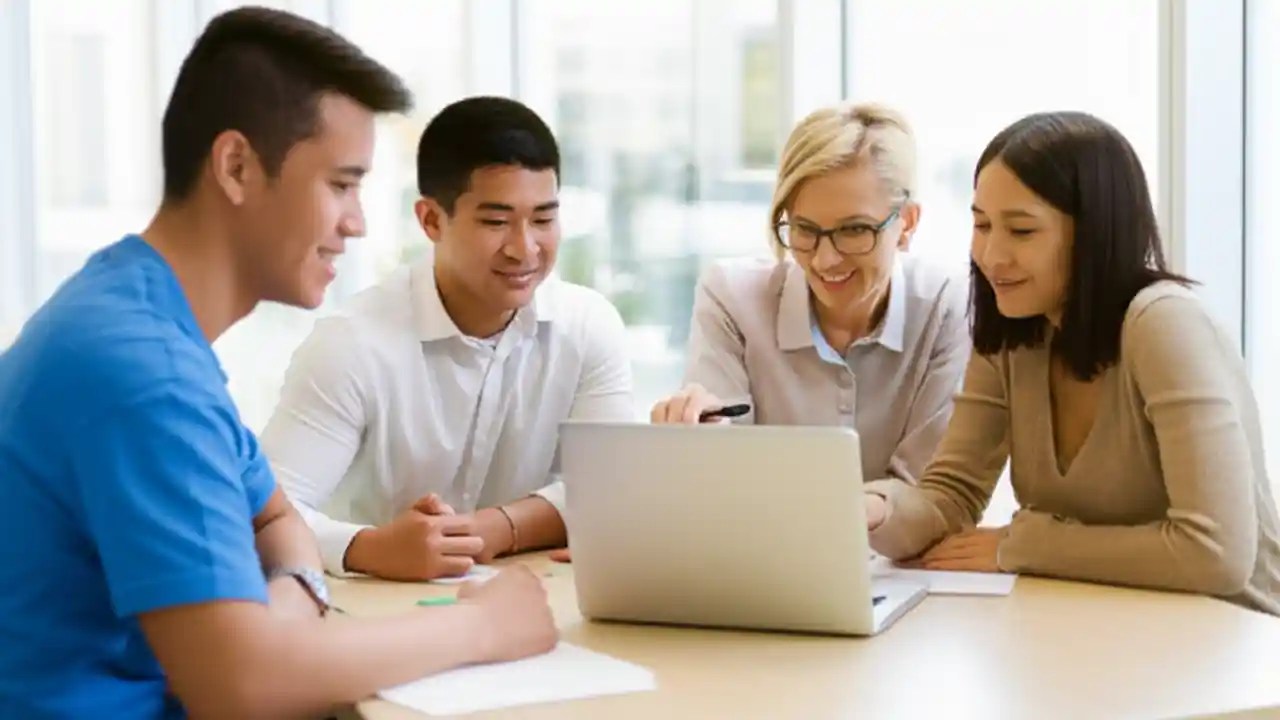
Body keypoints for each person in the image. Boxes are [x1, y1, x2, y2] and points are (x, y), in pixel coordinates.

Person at [0, 9, 556, 719]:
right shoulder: (141, 372)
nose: (356, 222)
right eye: (341, 184)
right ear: (236, 166)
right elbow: (243, 686)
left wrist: (286, 607)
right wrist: (482, 625)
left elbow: (277, 522)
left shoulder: (139, 317)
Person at [866, 111, 1280, 616]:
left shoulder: (1164, 323)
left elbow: (1216, 555)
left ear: (1095, 235)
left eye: (1021, 230)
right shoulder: (1014, 327)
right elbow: (950, 498)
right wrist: (873, 509)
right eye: (981, 224)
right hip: (1104, 631)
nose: (991, 255)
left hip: (1236, 645)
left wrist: (1024, 544)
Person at [260, 96, 633, 581]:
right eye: (496, 221)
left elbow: (612, 489)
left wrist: (492, 530)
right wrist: (368, 548)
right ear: (431, 220)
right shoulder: (350, 346)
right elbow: (263, 517)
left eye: (543, 219)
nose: (525, 248)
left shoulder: (588, 327)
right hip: (371, 613)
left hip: (531, 604)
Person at [652, 102, 969, 505]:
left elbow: (928, 495)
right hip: (760, 559)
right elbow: (720, 477)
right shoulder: (732, 297)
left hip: (901, 566)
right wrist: (690, 444)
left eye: (854, 230)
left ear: (906, 223)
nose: (825, 260)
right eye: (804, 229)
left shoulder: (948, 304)